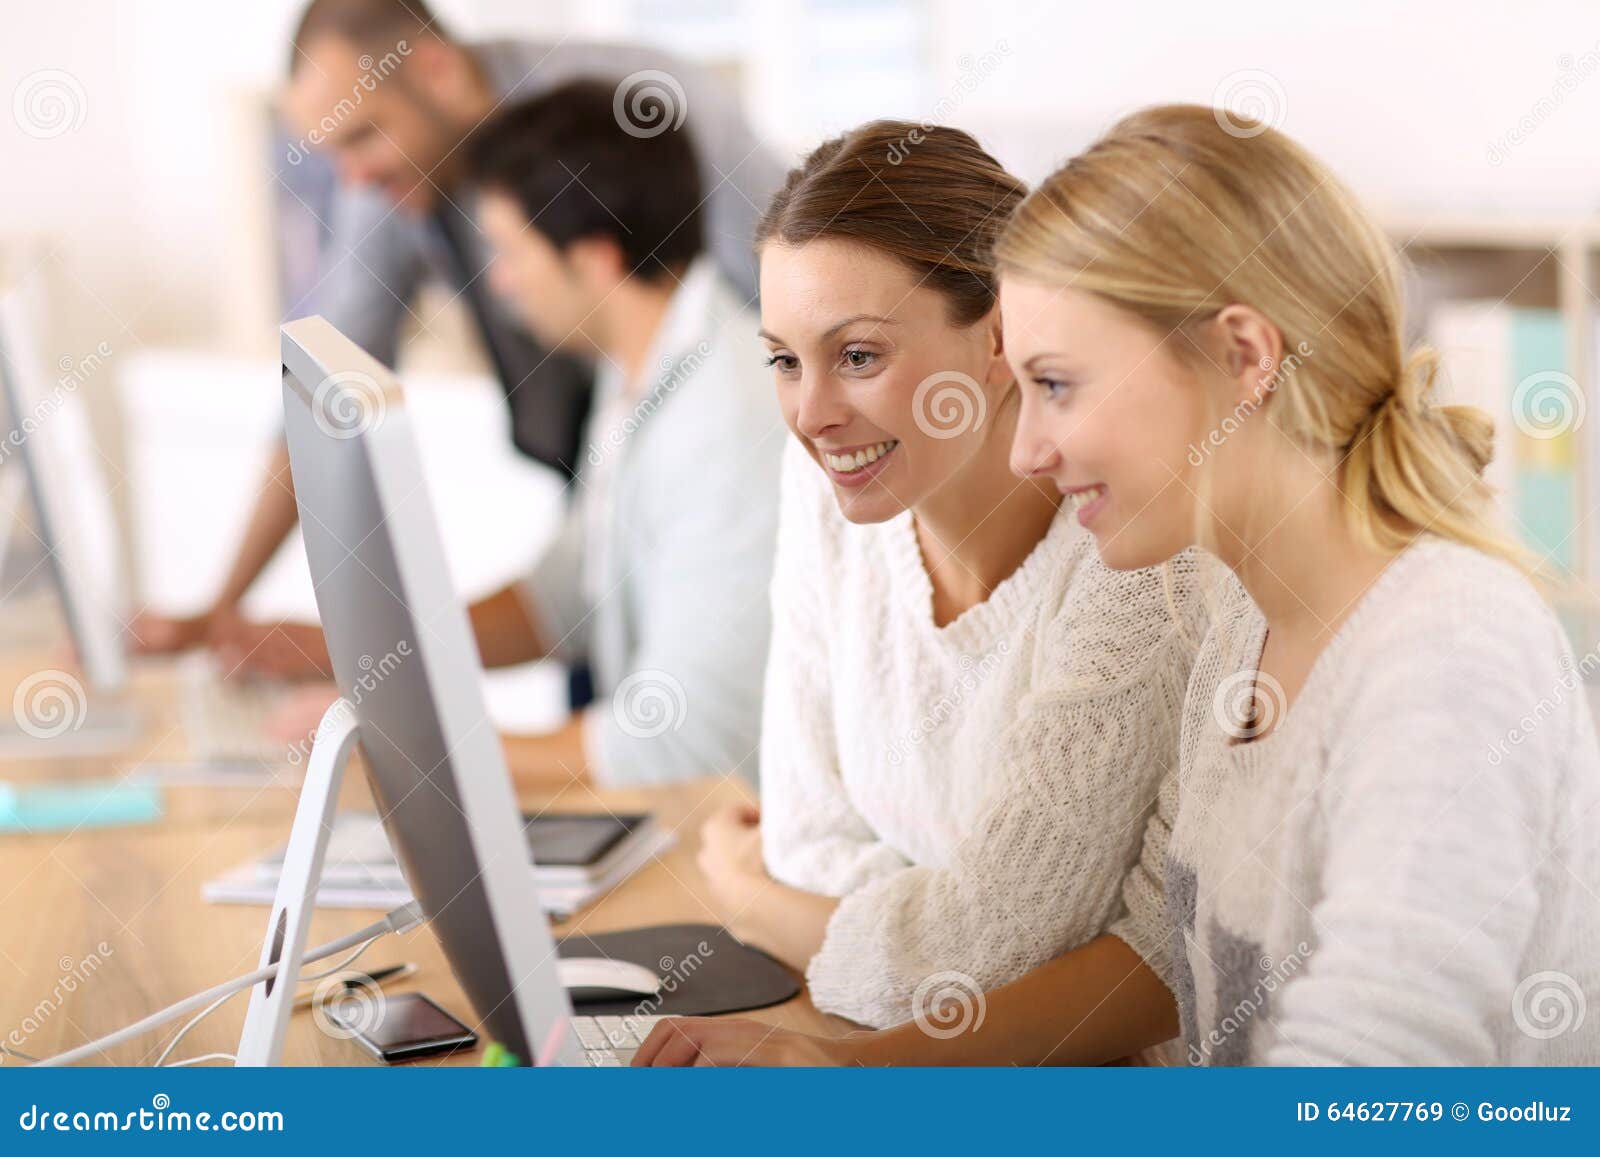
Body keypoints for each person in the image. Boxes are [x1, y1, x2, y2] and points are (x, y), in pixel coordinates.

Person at [635, 104, 1600, 1065]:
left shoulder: (1444, 651)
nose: (1028, 449)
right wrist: (846, 1072)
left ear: (1243, 360)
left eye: (1056, 384)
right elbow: (1161, 950)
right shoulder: (1236, 622)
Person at [687, 121, 1206, 1029]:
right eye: (783, 360)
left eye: (857, 355)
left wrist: (750, 902)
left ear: (1000, 336)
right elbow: (809, 839)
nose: (811, 415)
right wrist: (931, 923)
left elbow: (997, 952)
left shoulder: (1130, 552)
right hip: (913, 1049)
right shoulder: (832, 490)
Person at [129, 0, 783, 676]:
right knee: (609, 678)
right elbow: (327, 389)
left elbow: (799, 289)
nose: (353, 178)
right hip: (605, 484)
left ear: (437, 71)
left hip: (730, 486)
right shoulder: (388, 180)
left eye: (362, 136)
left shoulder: (635, 107)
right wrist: (226, 608)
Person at [277, 81, 783, 788]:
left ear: (594, 259)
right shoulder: (641, 367)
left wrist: (414, 743)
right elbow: (572, 594)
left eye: (511, 254)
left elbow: (683, 741)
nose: (502, 285)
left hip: (730, 840)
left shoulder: (724, 421)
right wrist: (372, 660)